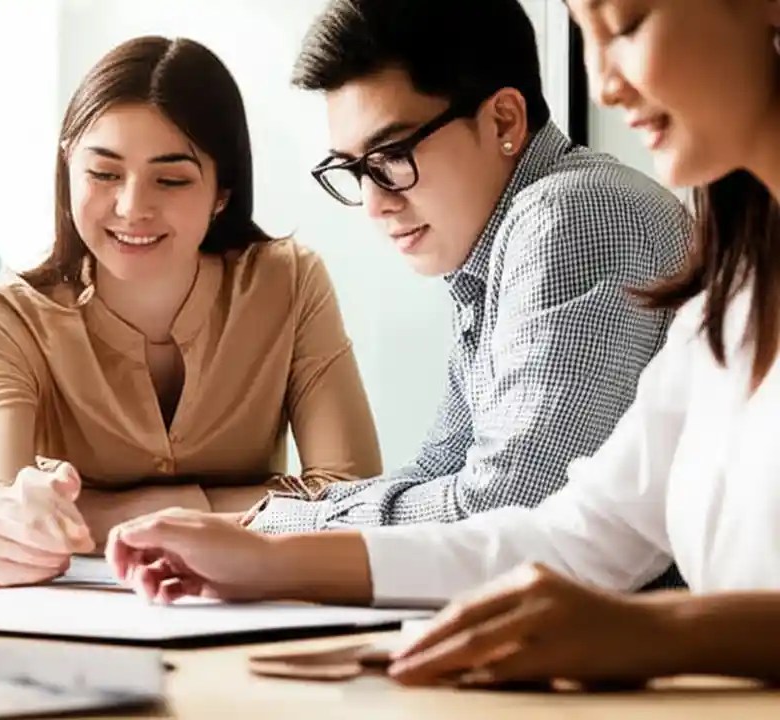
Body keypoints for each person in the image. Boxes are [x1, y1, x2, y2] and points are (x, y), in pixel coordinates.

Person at [109, 0, 780, 689]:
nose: (606, 84)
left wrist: (660, 637)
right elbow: (570, 534)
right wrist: (269, 553)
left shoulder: (567, 213)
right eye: (588, 39)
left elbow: (513, 500)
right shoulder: (731, 304)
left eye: (631, 26)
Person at [231, 0, 689, 537]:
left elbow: (511, 506)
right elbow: (440, 469)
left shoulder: (570, 214)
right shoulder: (491, 252)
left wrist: (283, 528)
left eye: (393, 155)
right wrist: (262, 524)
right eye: (353, 169)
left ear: (504, 120)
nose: (374, 203)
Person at [0, 36, 382, 588]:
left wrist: (101, 514)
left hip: (246, 609)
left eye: (172, 179)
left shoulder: (290, 284)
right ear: (68, 169)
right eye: (104, 174)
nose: (132, 207)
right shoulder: (10, 316)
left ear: (222, 192)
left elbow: (353, 498)